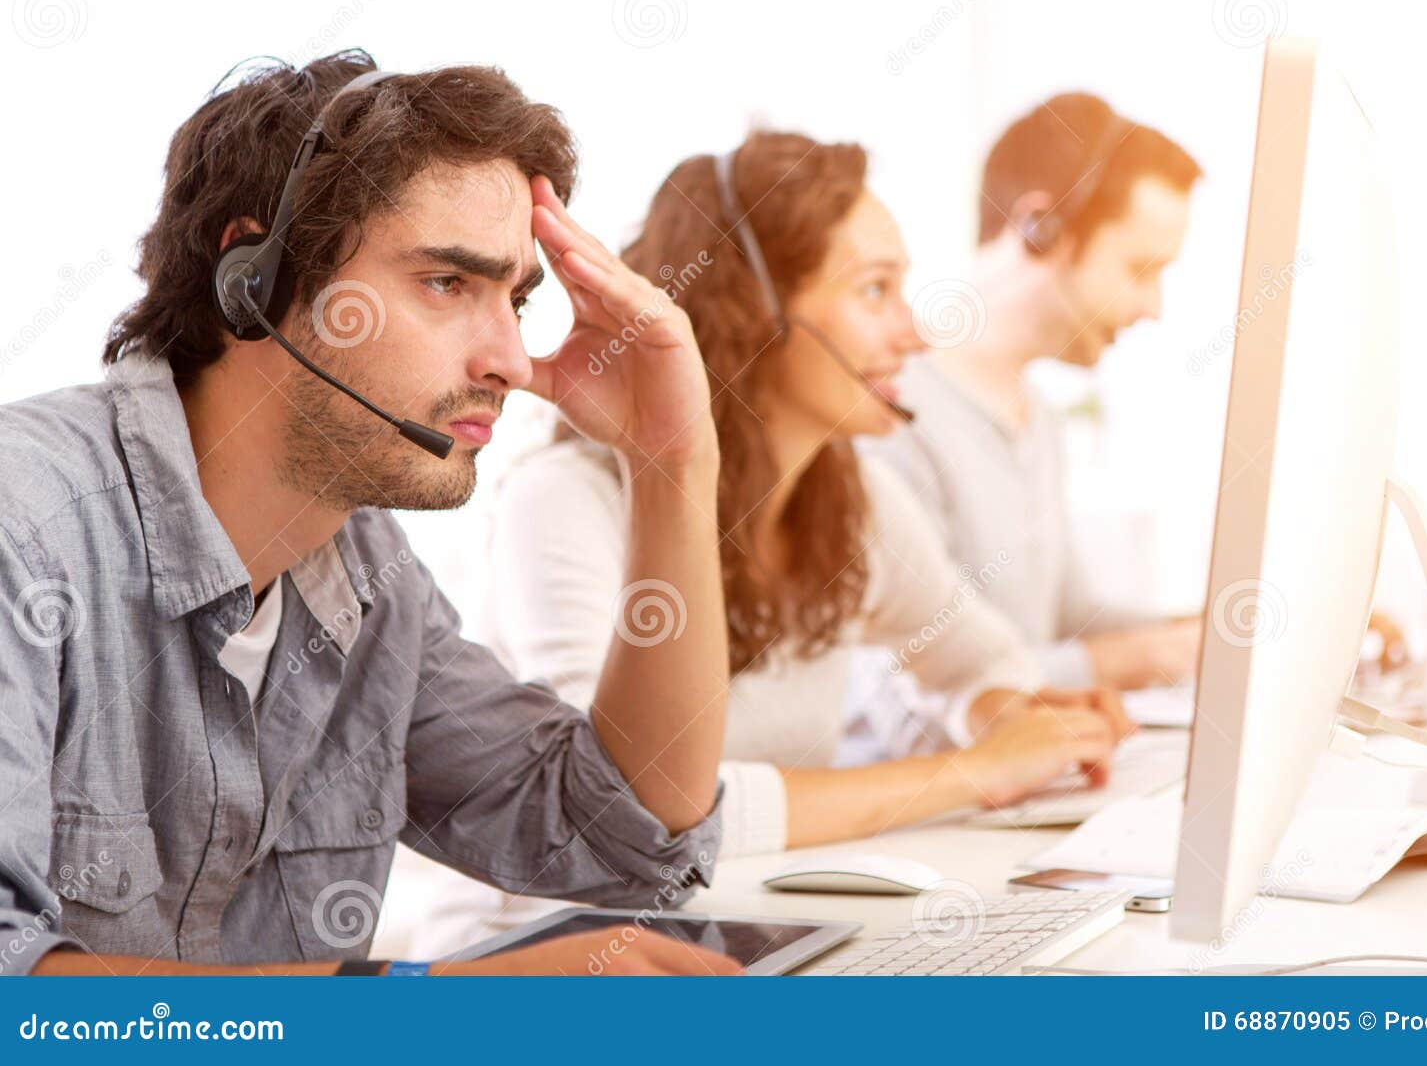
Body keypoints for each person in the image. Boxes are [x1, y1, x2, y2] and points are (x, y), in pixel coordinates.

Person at [0, 52, 740, 977]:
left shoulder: (364, 577)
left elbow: (627, 840)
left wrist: (670, 462)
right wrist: (420, 1010)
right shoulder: (23, 529)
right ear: (253, 281)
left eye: (515, 299)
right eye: (446, 284)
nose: (510, 358)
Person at [411, 132, 1128, 949]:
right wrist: (968, 774)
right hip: (552, 952)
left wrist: (1019, 724)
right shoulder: (567, 500)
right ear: (755, 314)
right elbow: (629, 813)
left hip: (744, 931)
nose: (915, 333)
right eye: (873, 291)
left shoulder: (851, 500)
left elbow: (979, 659)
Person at [864, 93, 1205, 700]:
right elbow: (915, 680)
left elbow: (1070, 619)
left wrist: (1215, 632)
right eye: (1139, 269)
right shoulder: (887, 409)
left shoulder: (1037, 415)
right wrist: (1150, 655)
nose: (1153, 308)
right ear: (1038, 229)